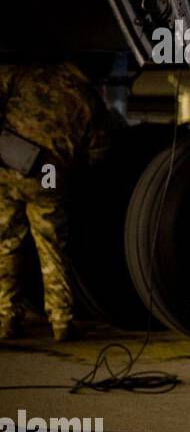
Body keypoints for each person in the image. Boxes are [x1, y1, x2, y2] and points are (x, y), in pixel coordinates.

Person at [0, 61, 110, 342]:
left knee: (6, 244)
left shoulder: (25, 73)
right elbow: (98, 153)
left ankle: (6, 319)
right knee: (50, 248)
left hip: (10, 164)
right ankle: (61, 322)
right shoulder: (90, 99)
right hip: (48, 175)